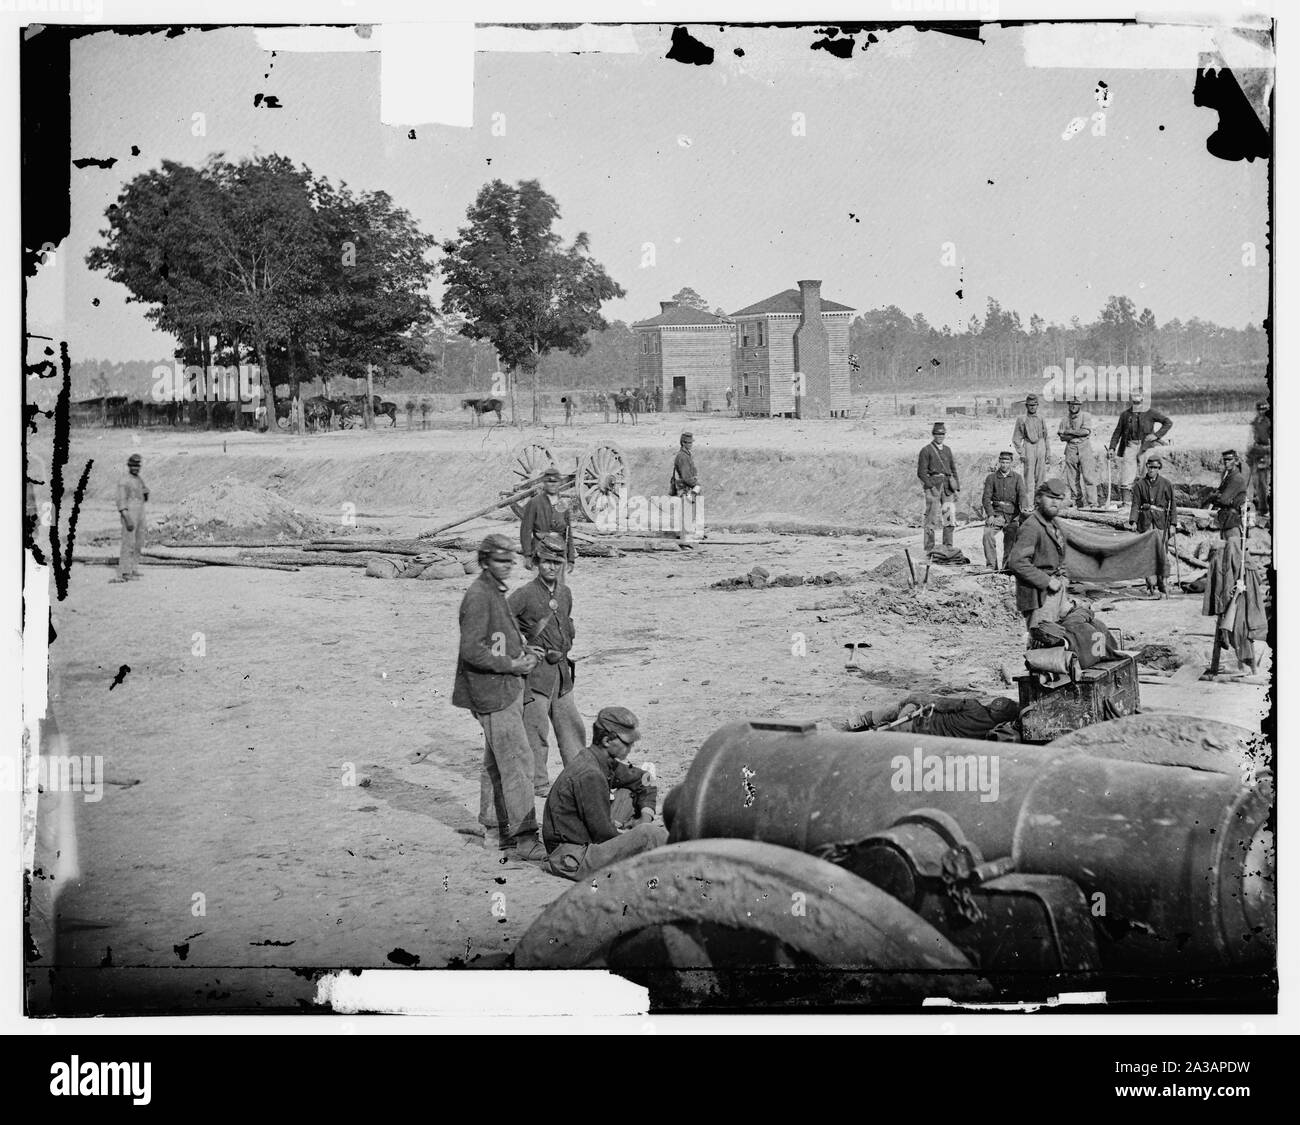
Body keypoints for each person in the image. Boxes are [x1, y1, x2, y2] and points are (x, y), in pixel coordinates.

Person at [453, 533, 546, 860]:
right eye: (499, 561)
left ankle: (494, 833)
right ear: (484, 562)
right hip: (494, 692)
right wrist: (512, 663)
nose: (506, 567)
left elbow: (493, 639)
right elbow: (471, 650)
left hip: (500, 689)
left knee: (495, 762)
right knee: (519, 761)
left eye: (509, 561)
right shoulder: (479, 595)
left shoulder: (493, 591)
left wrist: (522, 649)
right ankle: (524, 838)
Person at [541, 707, 668, 881]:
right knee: (649, 835)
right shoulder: (590, 774)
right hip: (573, 855)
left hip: (587, 840)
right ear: (607, 740)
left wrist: (645, 815)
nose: (631, 748)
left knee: (629, 794)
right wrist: (632, 835)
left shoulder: (601, 760)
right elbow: (603, 835)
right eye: (627, 743)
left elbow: (645, 779)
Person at [510, 532, 585, 797]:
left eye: (557, 562)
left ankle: (578, 780)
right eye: (546, 561)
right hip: (537, 673)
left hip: (562, 673)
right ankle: (538, 783)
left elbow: (566, 623)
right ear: (536, 562)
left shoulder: (565, 593)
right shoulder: (524, 594)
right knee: (536, 730)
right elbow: (499, 622)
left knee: (572, 729)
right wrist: (522, 647)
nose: (551, 567)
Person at [1007, 478, 1071, 629]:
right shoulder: (1032, 526)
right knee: (1043, 643)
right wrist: (1047, 581)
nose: (1055, 503)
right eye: (1050, 498)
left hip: (1053, 593)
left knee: (1056, 641)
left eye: (1059, 499)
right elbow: (1017, 562)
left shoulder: (1053, 524)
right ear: (1038, 498)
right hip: (1038, 597)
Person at [843, 693, 1020, 739]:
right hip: (922, 738)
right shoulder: (990, 733)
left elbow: (937, 702)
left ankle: (863, 720)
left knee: (903, 706)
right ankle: (876, 729)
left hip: (914, 721)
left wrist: (913, 698)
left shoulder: (972, 706)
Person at [1107, 391, 1173, 505]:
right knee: (1127, 475)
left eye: (1138, 395)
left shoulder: (1150, 413)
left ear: (1143, 397)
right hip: (1130, 446)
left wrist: (1156, 435)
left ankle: (1146, 503)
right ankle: (1126, 504)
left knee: (1146, 473)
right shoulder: (1125, 414)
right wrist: (1112, 448)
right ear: (1131, 397)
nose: (1136, 397)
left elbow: (1168, 422)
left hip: (1146, 447)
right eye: (1134, 395)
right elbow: (1117, 432)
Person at [1128, 455, 1176, 598]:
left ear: (1159, 468)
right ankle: (1151, 586)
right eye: (1150, 467)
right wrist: (1133, 521)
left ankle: (1164, 584)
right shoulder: (1140, 485)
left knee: (1162, 553)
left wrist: (1173, 524)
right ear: (1146, 467)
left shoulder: (1166, 484)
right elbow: (1135, 504)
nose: (1152, 470)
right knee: (1147, 554)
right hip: (1146, 522)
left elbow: (1172, 504)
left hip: (1161, 523)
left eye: (1155, 467)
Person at [980, 450, 1028, 571]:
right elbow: (986, 498)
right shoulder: (991, 478)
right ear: (999, 462)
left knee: (1011, 539)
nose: (1004, 465)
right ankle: (991, 566)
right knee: (987, 534)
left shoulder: (1017, 478)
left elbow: (1022, 495)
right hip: (997, 515)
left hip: (1012, 515)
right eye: (1002, 462)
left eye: (1007, 462)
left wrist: (1024, 509)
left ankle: (1007, 567)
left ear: (1011, 463)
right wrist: (990, 514)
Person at [519, 467, 575, 570]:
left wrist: (571, 559)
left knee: (558, 584)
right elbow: (525, 530)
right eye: (549, 482)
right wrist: (527, 555)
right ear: (544, 483)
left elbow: (568, 533)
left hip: (559, 552)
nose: (553, 484)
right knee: (541, 584)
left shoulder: (562, 504)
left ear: (559, 483)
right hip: (540, 551)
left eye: (556, 482)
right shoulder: (535, 503)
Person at [916, 422, 959, 554]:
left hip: (947, 487)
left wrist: (956, 487)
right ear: (933, 434)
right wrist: (930, 486)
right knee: (931, 518)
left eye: (942, 434)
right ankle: (929, 548)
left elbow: (953, 469)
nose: (940, 436)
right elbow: (921, 472)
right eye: (937, 434)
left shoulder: (947, 450)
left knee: (949, 517)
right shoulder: (926, 450)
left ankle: (948, 545)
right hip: (934, 486)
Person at [112, 453, 149, 583]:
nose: (135, 468)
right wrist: (127, 517)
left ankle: (133, 568)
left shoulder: (139, 479)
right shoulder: (124, 480)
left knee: (138, 542)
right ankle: (124, 571)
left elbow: (144, 495)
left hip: (140, 511)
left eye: (137, 466)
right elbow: (121, 501)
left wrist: (146, 492)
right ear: (129, 466)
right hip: (130, 512)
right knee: (128, 542)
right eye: (133, 466)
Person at [1057, 396, 1097, 508]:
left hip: (1084, 447)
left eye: (1076, 404)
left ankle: (1092, 503)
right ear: (1068, 405)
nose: (1073, 406)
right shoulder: (1064, 419)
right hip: (1070, 449)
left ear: (1080, 405)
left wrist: (1070, 432)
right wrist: (1075, 433)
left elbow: (1085, 432)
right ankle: (1077, 502)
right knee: (1072, 478)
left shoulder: (1086, 416)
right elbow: (1062, 437)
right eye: (1071, 404)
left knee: (1089, 477)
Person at [1011, 393, 1051, 499]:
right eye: (1030, 405)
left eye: (1034, 405)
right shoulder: (1021, 419)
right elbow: (1016, 438)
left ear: (1037, 405)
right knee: (1029, 477)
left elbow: (1046, 436)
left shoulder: (1041, 418)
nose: (1032, 407)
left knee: (1041, 476)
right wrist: (1022, 452)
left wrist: (1048, 452)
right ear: (1026, 406)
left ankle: (1039, 502)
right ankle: (1029, 503)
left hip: (1041, 445)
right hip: (1029, 446)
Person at [1210, 449, 1248, 540]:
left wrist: (1216, 496)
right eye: (1225, 460)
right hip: (1226, 520)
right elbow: (1216, 496)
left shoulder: (1237, 478)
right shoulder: (1228, 477)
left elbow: (1223, 500)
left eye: (1229, 460)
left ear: (1236, 461)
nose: (1226, 462)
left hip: (1233, 522)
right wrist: (1216, 496)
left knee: (1233, 548)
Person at [670, 431, 701, 540]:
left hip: (685, 486)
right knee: (687, 510)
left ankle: (686, 533)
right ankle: (686, 535)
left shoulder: (685, 454)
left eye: (691, 442)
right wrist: (696, 484)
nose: (691, 445)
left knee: (687, 510)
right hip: (684, 487)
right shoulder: (683, 457)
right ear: (683, 443)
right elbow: (686, 476)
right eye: (689, 443)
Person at [1246, 400, 1270, 520]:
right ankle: (1250, 504)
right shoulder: (1256, 422)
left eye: (1264, 409)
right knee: (1251, 480)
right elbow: (1251, 437)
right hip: (1255, 451)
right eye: (1260, 409)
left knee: (1261, 481)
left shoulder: (1269, 422)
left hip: (1264, 452)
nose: (1262, 412)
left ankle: (1263, 509)